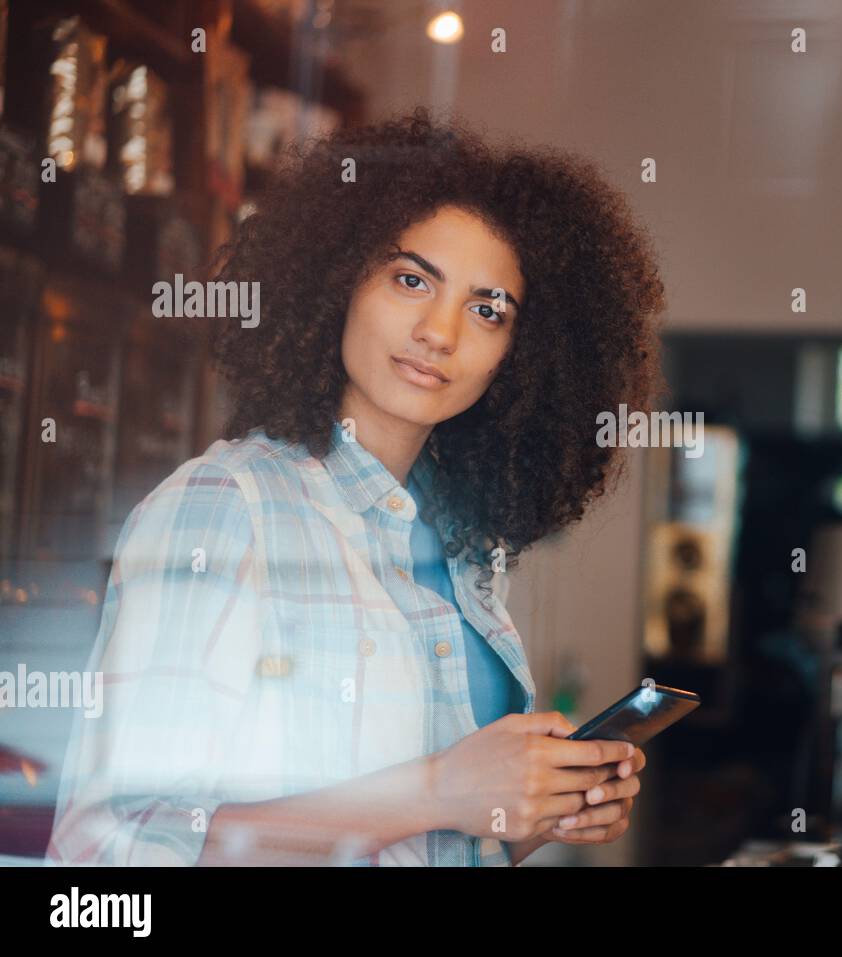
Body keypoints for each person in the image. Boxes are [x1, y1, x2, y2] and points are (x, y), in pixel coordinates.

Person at [46, 109, 666, 866]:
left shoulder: (459, 553)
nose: (442, 332)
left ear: (521, 354)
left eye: (487, 310)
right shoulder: (226, 506)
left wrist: (534, 811)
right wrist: (437, 787)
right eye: (411, 280)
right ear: (338, 283)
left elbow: (429, 846)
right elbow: (113, 851)